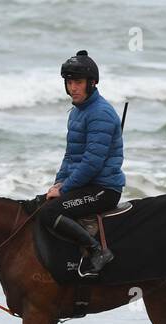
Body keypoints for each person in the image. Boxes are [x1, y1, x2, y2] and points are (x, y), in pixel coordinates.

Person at [40, 50, 125, 273]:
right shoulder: (76, 112)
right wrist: (58, 184)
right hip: (85, 185)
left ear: (92, 83)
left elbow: (91, 163)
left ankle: (97, 250)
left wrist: (66, 188)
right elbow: (70, 156)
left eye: (78, 82)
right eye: (69, 82)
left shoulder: (100, 113)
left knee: (50, 213)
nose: (73, 88)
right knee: (42, 205)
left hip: (103, 188)